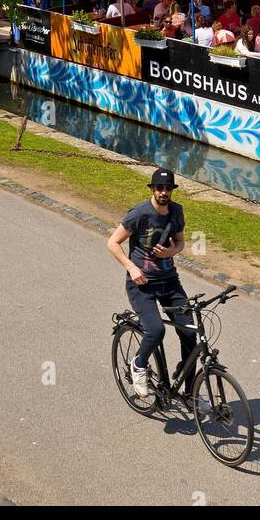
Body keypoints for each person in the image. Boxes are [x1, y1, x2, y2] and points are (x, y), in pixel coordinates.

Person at [106, 169, 195, 399]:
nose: (164, 192)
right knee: (156, 330)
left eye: (168, 188)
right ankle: (139, 363)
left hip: (170, 282)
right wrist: (132, 268)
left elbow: (181, 243)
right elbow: (113, 243)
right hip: (142, 284)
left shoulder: (176, 212)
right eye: (159, 188)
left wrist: (170, 252)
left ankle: (189, 390)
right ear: (152, 189)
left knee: (190, 333)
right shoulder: (139, 214)